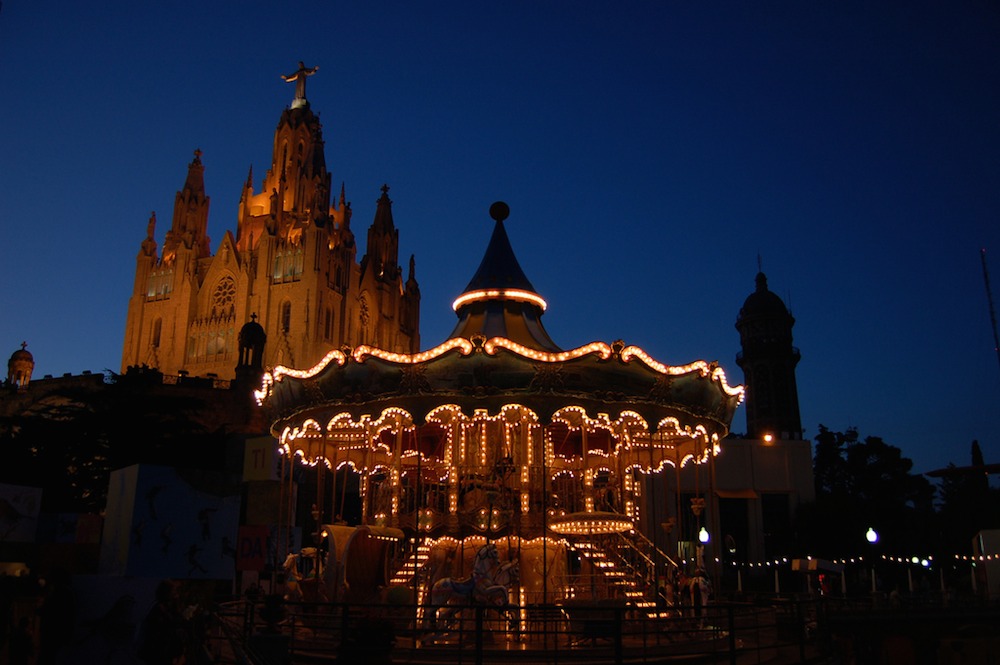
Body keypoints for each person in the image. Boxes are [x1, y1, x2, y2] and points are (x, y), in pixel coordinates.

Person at [138, 581, 186, 665]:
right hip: (160, 654)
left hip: (166, 653)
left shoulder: (171, 609)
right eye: (174, 592)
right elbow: (159, 633)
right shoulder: (159, 611)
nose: (177, 595)